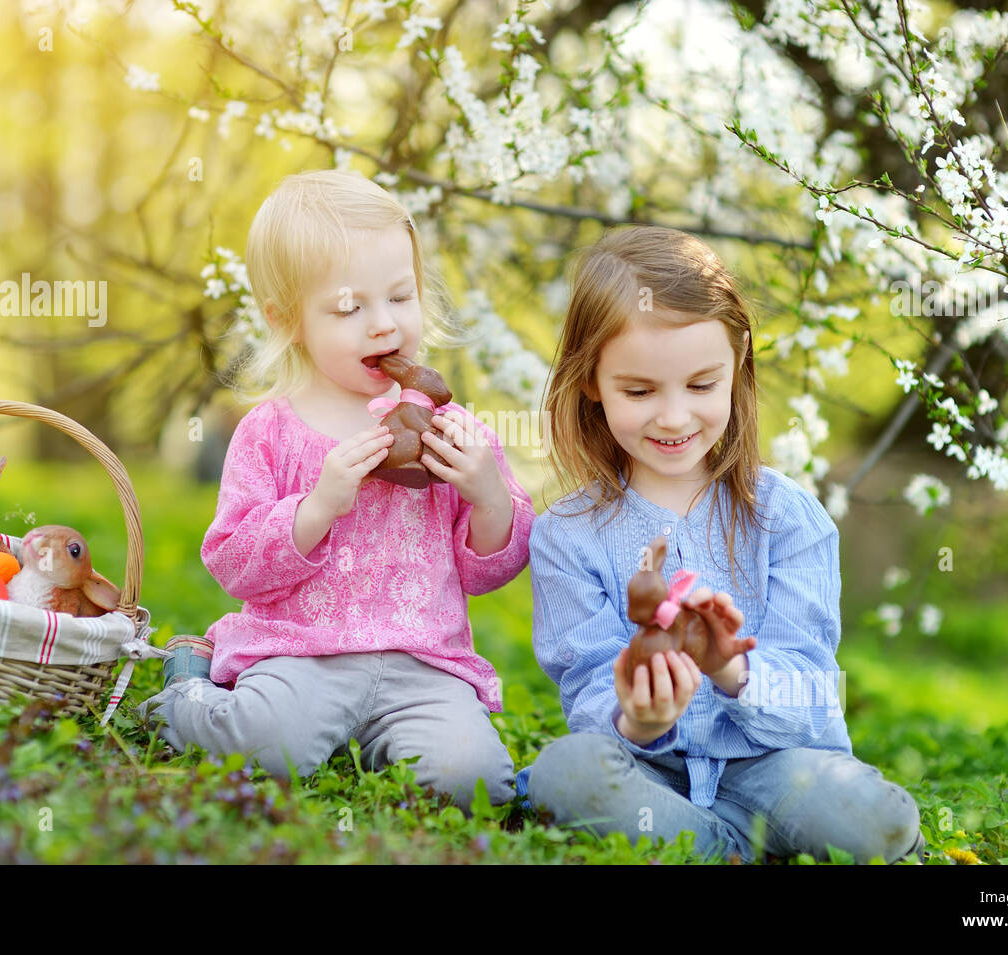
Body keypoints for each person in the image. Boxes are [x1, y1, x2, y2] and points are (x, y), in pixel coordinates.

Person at [520, 225, 926, 862]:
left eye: (702, 385)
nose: (675, 417)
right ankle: (726, 851)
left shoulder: (790, 519)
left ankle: (705, 848)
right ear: (592, 383)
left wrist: (732, 670)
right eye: (639, 390)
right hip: (652, 779)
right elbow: (589, 695)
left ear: (738, 365)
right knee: (563, 776)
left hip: (774, 771)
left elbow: (813, 696)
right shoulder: (565, 535)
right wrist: (641, 719)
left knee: (871, 820)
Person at [138, 170, 533, 812]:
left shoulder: (452, 431)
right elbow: (234, 562)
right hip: (302, 654)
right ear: (287, 320)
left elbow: (489, 568)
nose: (383, 326)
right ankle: (188, 693)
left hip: (423, 662)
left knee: (475, 781)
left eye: (400, 298)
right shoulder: (269, 430)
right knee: (266, 747)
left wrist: (488, 496)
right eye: (350, 308)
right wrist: (317, 507)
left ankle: (392, 739)